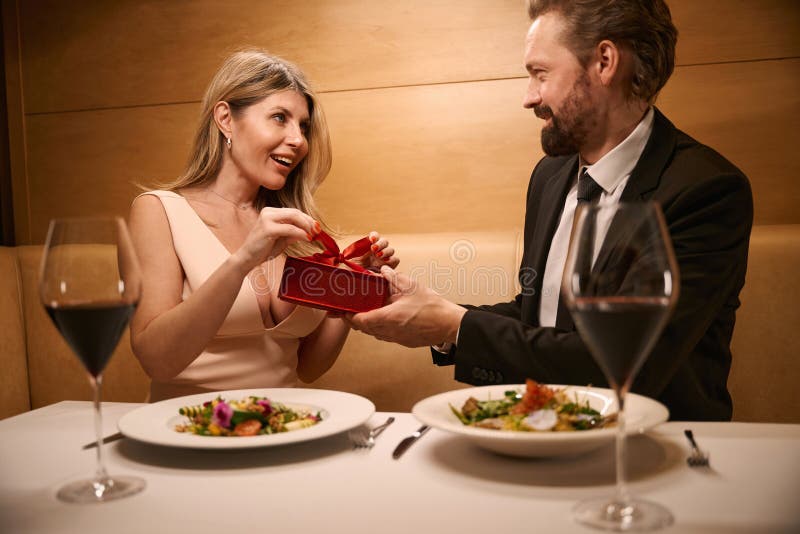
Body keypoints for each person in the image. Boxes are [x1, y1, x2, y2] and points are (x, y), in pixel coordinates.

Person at [347, 0, 753, 421]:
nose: (529, 97)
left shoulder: (706, 191)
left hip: (655, 451)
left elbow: (626, 365)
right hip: (547, 435)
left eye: (540, 74)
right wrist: (430, 312)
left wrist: (454, 325)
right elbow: (537, 318)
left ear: (605, 62)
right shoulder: (551, 175)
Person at [129, 50, 398, 401]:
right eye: (279, 117)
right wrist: (243, 260)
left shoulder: (294, 226)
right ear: (226, 119)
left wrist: (350, 292)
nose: (299, 140)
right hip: (191, 429)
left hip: (285, 424)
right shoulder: (158, 212)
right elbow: (157, 360)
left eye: (303, 126)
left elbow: (308, 368)